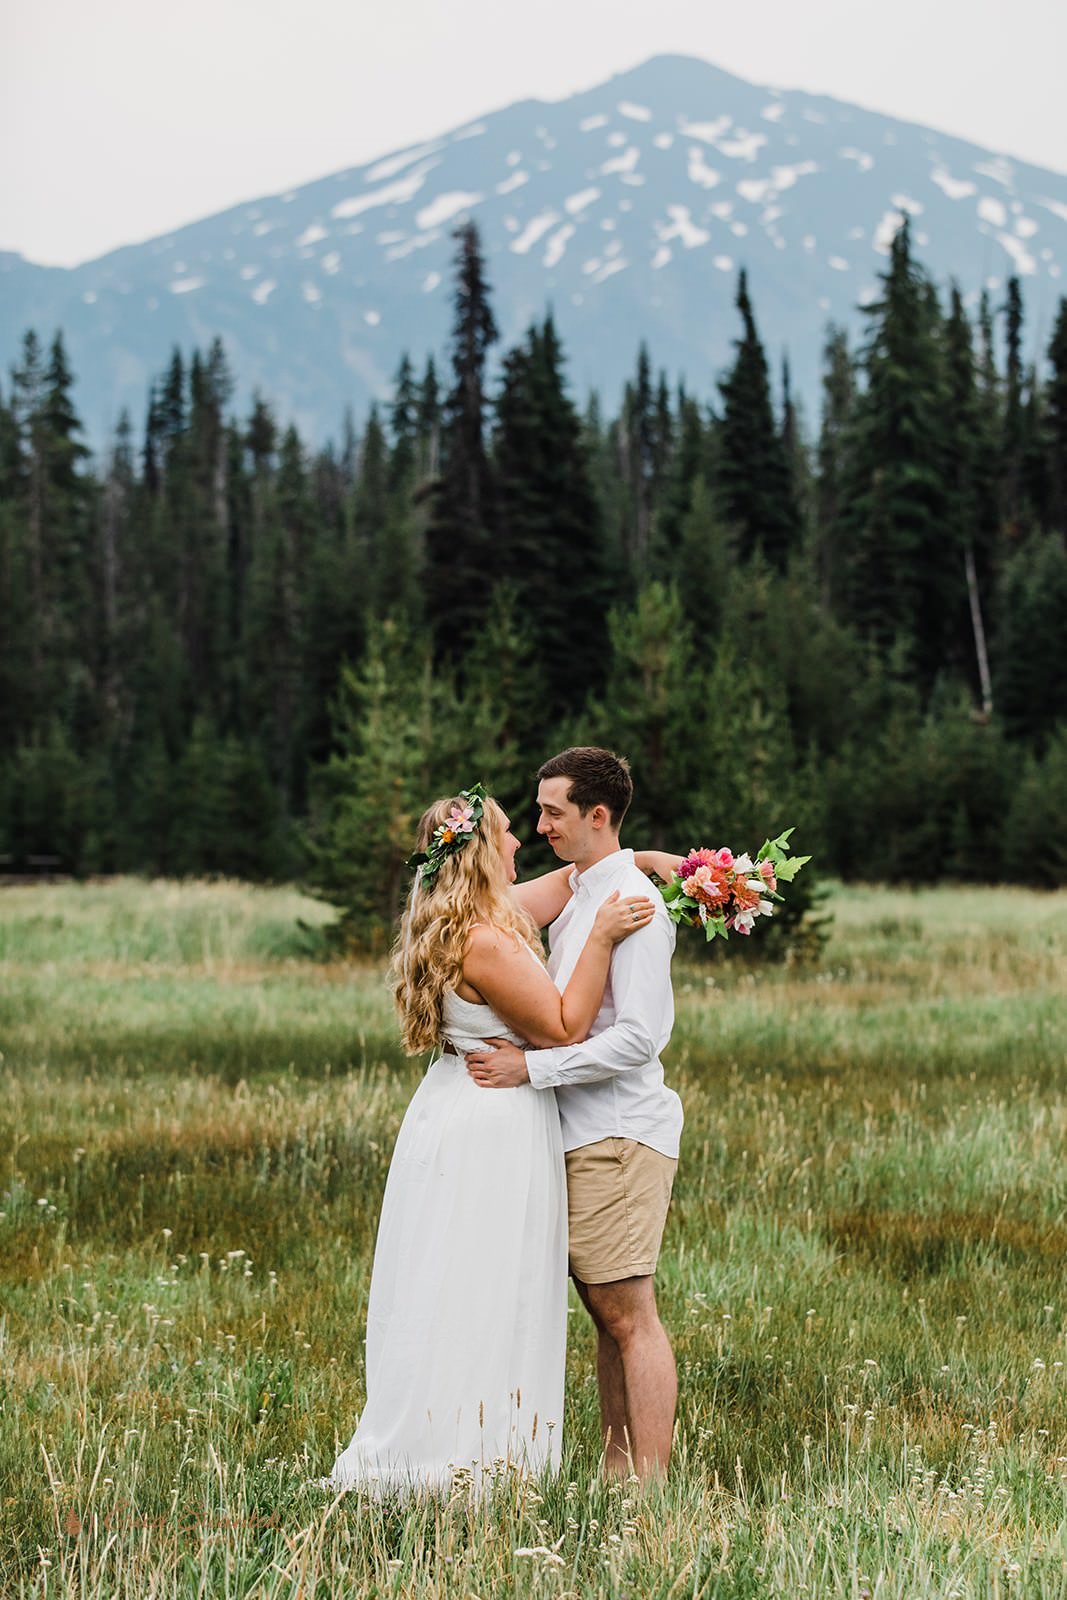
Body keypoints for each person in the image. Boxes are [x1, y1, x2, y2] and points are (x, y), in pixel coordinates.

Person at [327, 783, 661, 1494]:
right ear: (482, 852)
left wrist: (645, 860)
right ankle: (463, 1455)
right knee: (480, 1288)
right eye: (508, 833)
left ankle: (454, 1435)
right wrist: (601, 936)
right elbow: (565, 1026)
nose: (521, 842)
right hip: (490, 1121)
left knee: (452, 1281)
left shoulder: (471, 917)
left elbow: (574, 877)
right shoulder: (484, 939)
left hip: (452, 1109)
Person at [466, 748, 682, 1480]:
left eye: (553, 812)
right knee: (605, 1313)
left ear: (596, 815)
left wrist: (532, 1067)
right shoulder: (585, 891)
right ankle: (616, 1471)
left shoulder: (633, 907)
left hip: (618, 1130)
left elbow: (637, 1038)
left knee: (629, 1314)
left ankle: (646, 1490)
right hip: (578, 1129)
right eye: (536, 811)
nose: (539, 825)